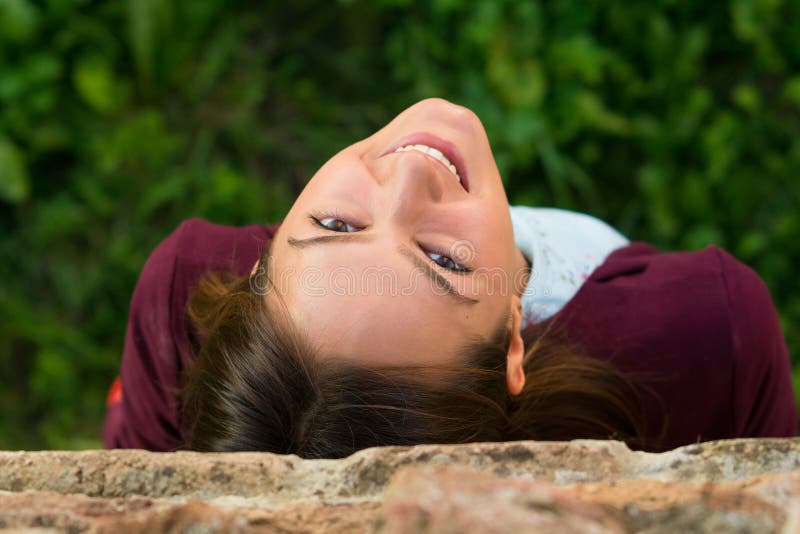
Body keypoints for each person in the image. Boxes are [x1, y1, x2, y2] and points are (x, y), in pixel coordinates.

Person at [103, 98, 797, 457]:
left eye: (338, 226)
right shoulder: (698, 331)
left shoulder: (181, 307)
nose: (408, 175)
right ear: (513, 346)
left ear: (257, 264)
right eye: (444, 262)